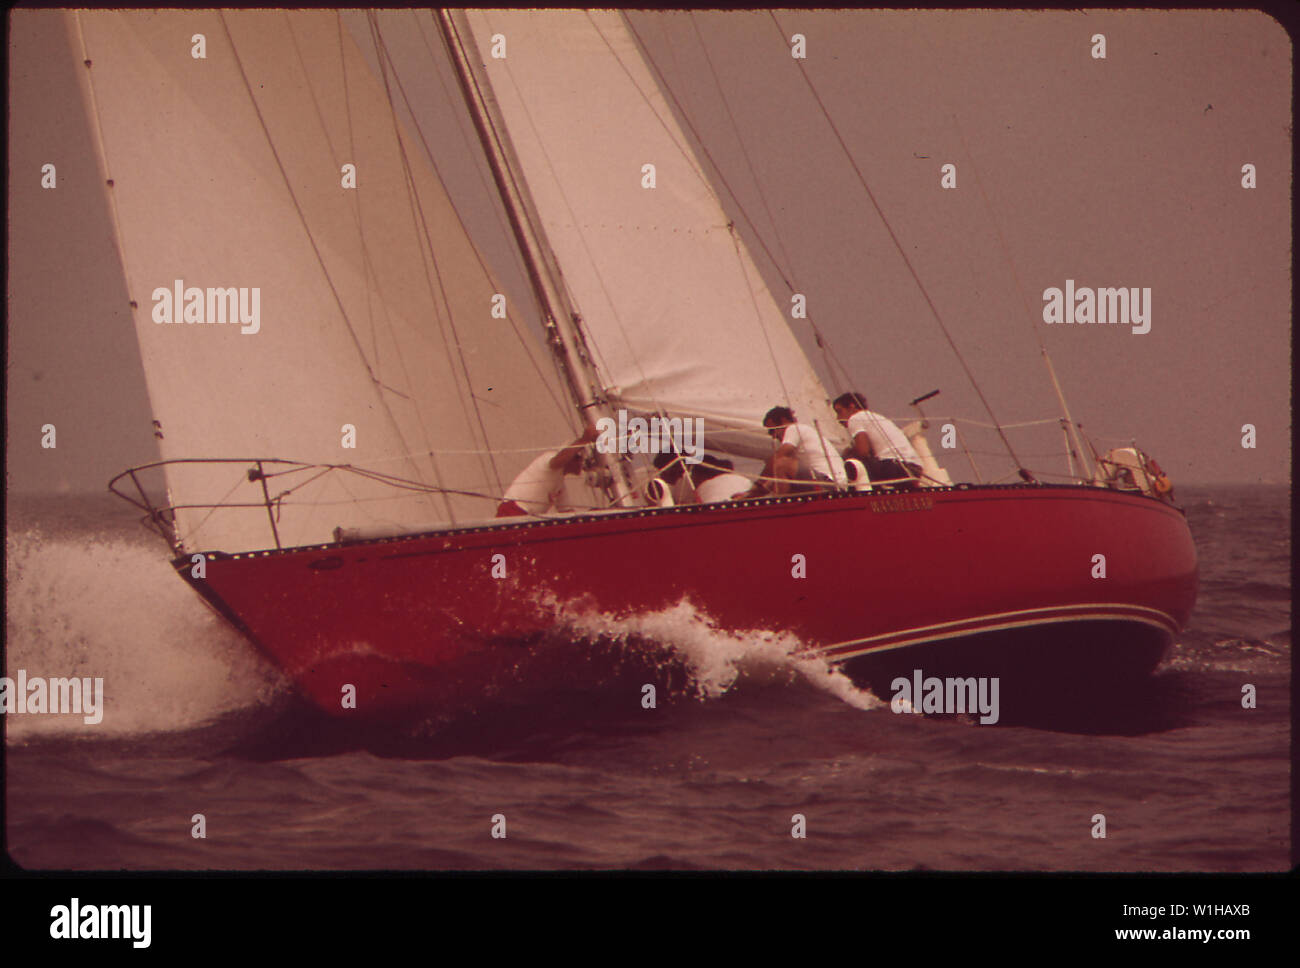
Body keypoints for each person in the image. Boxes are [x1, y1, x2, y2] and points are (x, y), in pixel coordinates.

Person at [496, 423, 598, 517]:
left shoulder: (559, 485)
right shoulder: (548, 459)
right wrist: (583, 440)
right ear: (571, 458)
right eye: (580, 458)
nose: (583, 463)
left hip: (526, 517)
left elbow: (566, 512)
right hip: (513, 510)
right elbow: (558, 460)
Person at [746, 406, 846, 496]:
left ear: (784, 421)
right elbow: (773, 480)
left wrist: (758, 484)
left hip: (830, 483)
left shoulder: (794, 429)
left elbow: (778, 459)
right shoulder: (799, 444)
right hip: (834, 484)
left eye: (772, 430)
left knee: (781, 463)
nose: (773, 436)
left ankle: (782, 507)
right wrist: (749, 495)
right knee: (779, 471)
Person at [832, 391, 923, 489]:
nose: (838, 418)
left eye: (839, 411)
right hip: (915, 468)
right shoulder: (876, 417)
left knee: (853, 466)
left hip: (896, 467)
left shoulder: (855, 418)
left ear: (851, 407)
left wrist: (847, 454)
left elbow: (863, 451)